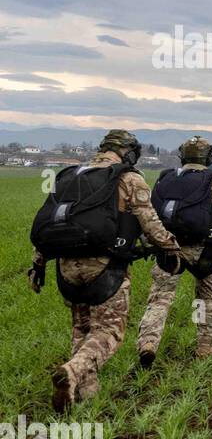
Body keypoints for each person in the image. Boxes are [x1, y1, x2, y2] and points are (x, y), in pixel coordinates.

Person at [27, 129, 185, 411]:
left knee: (82, 328)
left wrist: (38, 264)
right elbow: (150, 222)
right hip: (104, 266)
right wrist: (171, 249)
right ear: (128, 151)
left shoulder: (69, 176)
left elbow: (50, 221)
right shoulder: (127, 177)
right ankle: (73, 371)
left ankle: (84, 396)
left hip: (66, 267)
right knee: (109, 331)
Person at [137, 136, 212, 365]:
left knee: (160, 299)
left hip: (167, 247)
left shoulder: (166, 178)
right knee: (204, 297)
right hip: (201, 251)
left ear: (183, 156)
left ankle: (148, 342)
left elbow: (150, 212)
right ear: (208, 157)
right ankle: (204, 345)